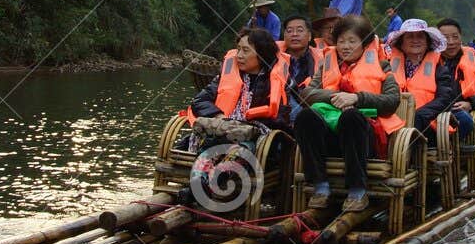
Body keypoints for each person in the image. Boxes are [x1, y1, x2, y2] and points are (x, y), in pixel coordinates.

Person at [293, 14, 401, 213]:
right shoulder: (327, 64)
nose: (345, 46)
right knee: (305, 117)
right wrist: (336, 95)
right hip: (332, 140)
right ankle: (320, 186)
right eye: (341, 41)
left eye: (352, 41)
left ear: (365, 43)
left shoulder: (382, 66)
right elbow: (307, 93)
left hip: (365, 140)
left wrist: (357, 98)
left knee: (351, 117)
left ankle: (357, 190)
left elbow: (392, 101)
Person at [186, 27, 288, 135]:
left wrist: (243, 125)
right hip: (220, 126)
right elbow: (199, 101)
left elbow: (281, 118)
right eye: (238, 49)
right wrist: (219, 116)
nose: (239, 55)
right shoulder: (224, 77)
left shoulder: (276, 82)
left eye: (245, 50)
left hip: (256, 135)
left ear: (262, 54)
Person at [390, 18, 459, 135]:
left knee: (416, 122)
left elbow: (445, 99)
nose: (415, 40)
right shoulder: (388, 66)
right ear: (401, 42)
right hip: (393, 119)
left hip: (427, 122)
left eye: (420, 36)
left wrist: (417, 115)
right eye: (410, 37)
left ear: (427, 42)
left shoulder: (440, 69)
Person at [437, 17, 475, 134]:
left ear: (461, 38)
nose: (451, 42)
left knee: (463, 118)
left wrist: (470, 104)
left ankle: (452, 146)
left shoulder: (474, 62)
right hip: (436, 113)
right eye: (445, 38)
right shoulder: (431, 62)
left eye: (455, 37)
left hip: (463, 115)